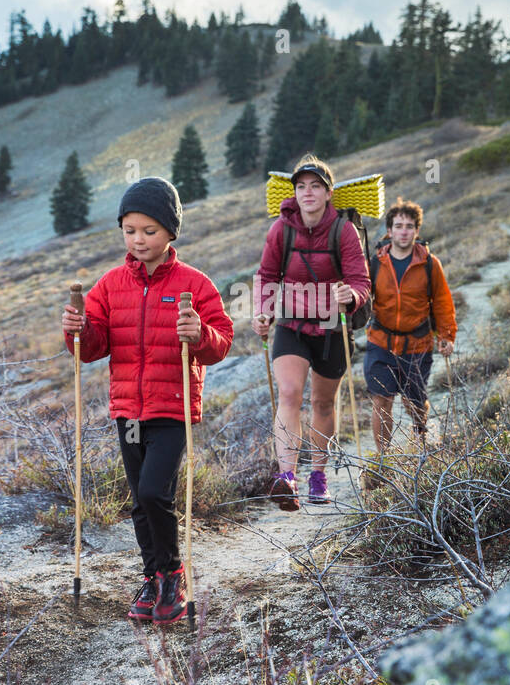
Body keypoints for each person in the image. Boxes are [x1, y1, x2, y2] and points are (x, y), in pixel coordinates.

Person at [61, 177, 233, 625]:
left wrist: (199, 336)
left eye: (149, 231)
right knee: (140, 497)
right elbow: (92, 347)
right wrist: (76, 329)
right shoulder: (110, 285)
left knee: (157, 491)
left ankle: (172, 572)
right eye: (130, 230)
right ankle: (153, 577)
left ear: (171, 232)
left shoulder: (194, 283)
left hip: (171, 409)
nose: (138, 240)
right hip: (128, 412)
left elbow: (221, 342)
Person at [253, 154, 371, 509]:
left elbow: (360, 280)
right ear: (294, 192)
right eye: (301, 186)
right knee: (289, 393)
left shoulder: (344, 230)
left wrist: (350, 295)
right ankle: (287, 478)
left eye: (315, 186)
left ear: (328, 192)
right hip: (291, 324)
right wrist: (262, 310)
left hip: (333, 326)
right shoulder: (280, 229)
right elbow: (267, 276)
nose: (307, 192)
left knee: (322, 402)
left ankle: (318, 476)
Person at [364, 197, 456, 454]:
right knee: (381, 399)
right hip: (380, 341)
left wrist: (446, 335)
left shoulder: (429, 263)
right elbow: (362, 295)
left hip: (417, 343)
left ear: (417, 231)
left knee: (413, 401)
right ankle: (384, 458)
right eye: (398, 225)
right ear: (389, 230)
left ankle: (420, 431)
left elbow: (442, 301)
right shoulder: (375, 262)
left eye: (409, 226)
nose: (404, 231)